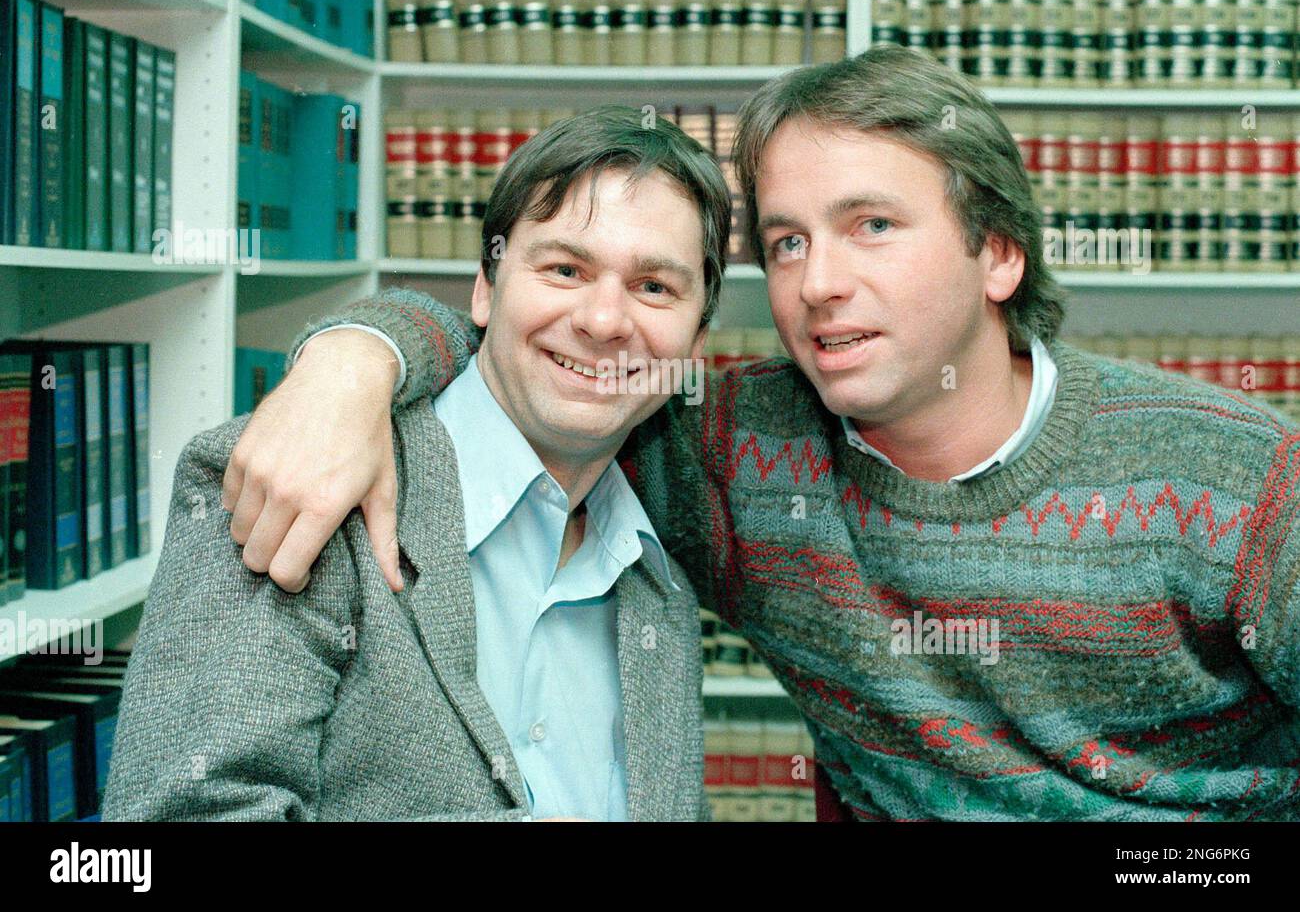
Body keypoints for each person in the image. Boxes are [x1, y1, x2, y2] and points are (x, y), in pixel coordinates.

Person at [223, 46, 1300, 821]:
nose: (820, 285)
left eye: (871, 226)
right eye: (786, 243)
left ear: (998, 255)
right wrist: (351, 358)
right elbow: (542, 346)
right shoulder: (733, 451)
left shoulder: (1232, 476)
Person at [104, 106, 728, 821]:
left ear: (696, 340)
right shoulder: (300, 481)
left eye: (655, 287)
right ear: (486, 289)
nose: (604, 319)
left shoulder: (665, 586)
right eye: (564, 268)